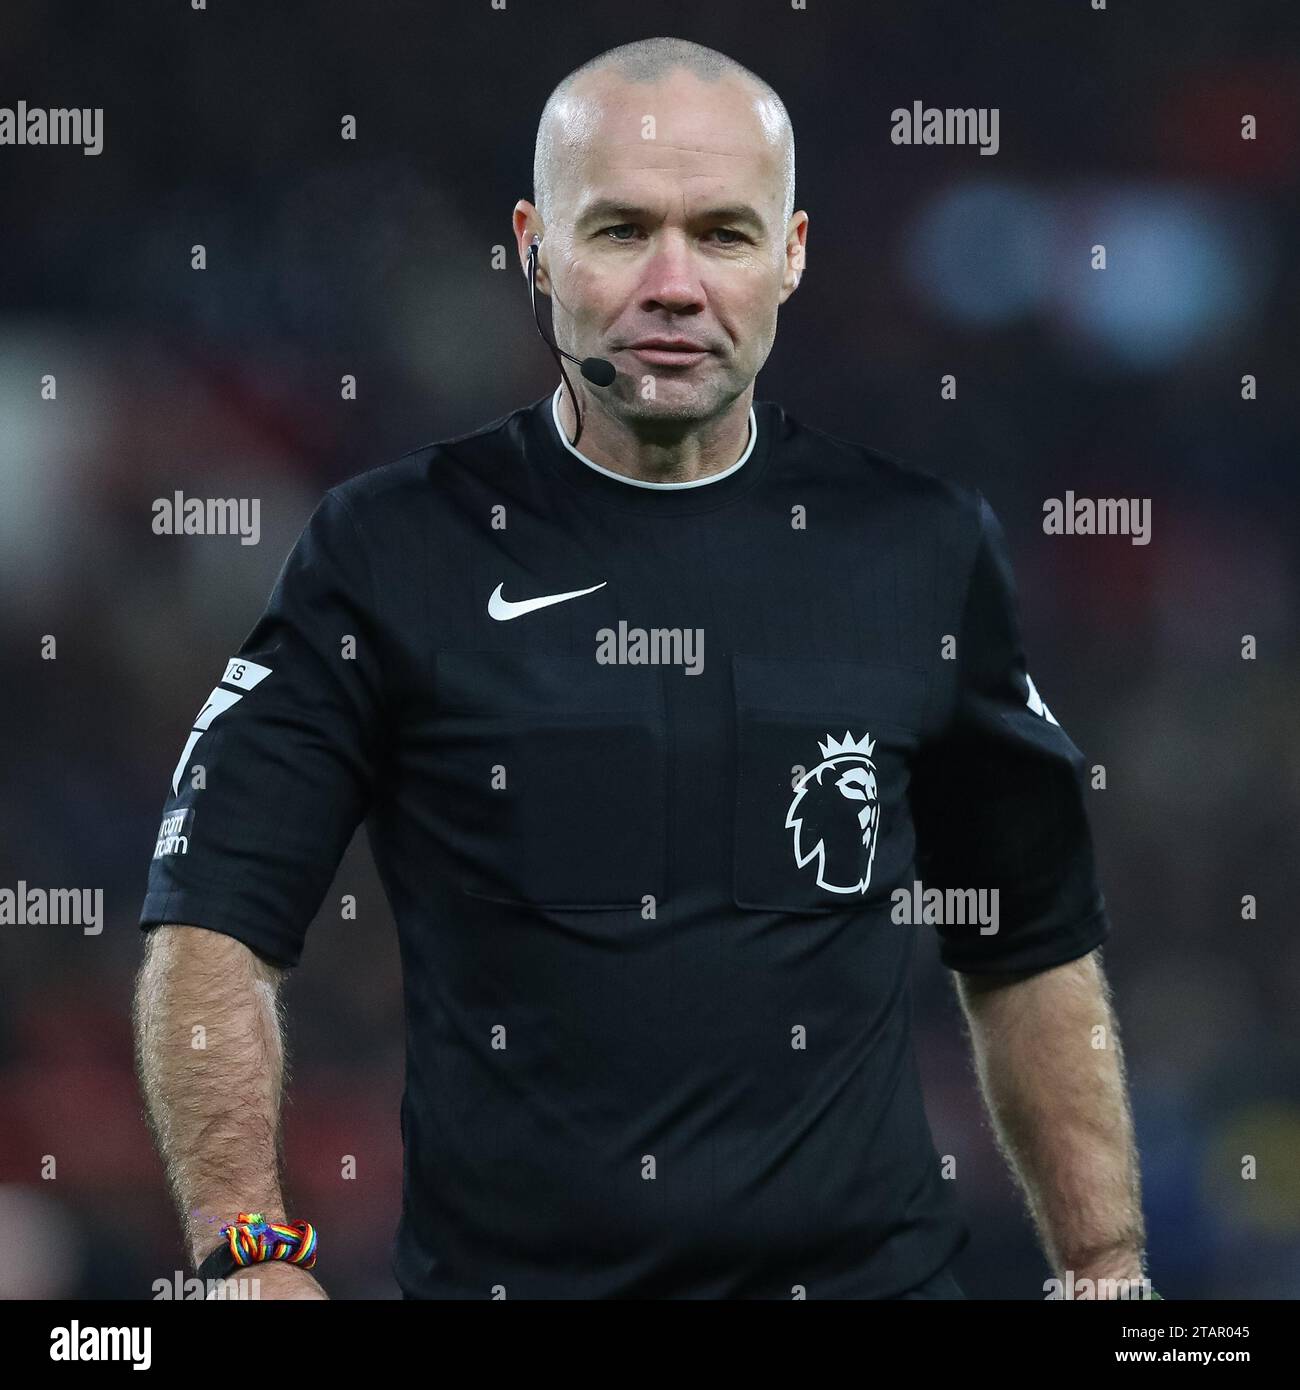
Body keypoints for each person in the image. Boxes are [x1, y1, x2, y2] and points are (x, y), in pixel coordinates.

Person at [134, 36, 1149, 1300]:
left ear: (790, 256)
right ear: (534, 245)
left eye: (722, 234)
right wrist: (244, 1250)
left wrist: (1104, 1268)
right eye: (619, 230)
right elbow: (216, 913)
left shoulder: (921, 550)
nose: (672, 285)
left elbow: (1028, 945)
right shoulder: (391, 550)